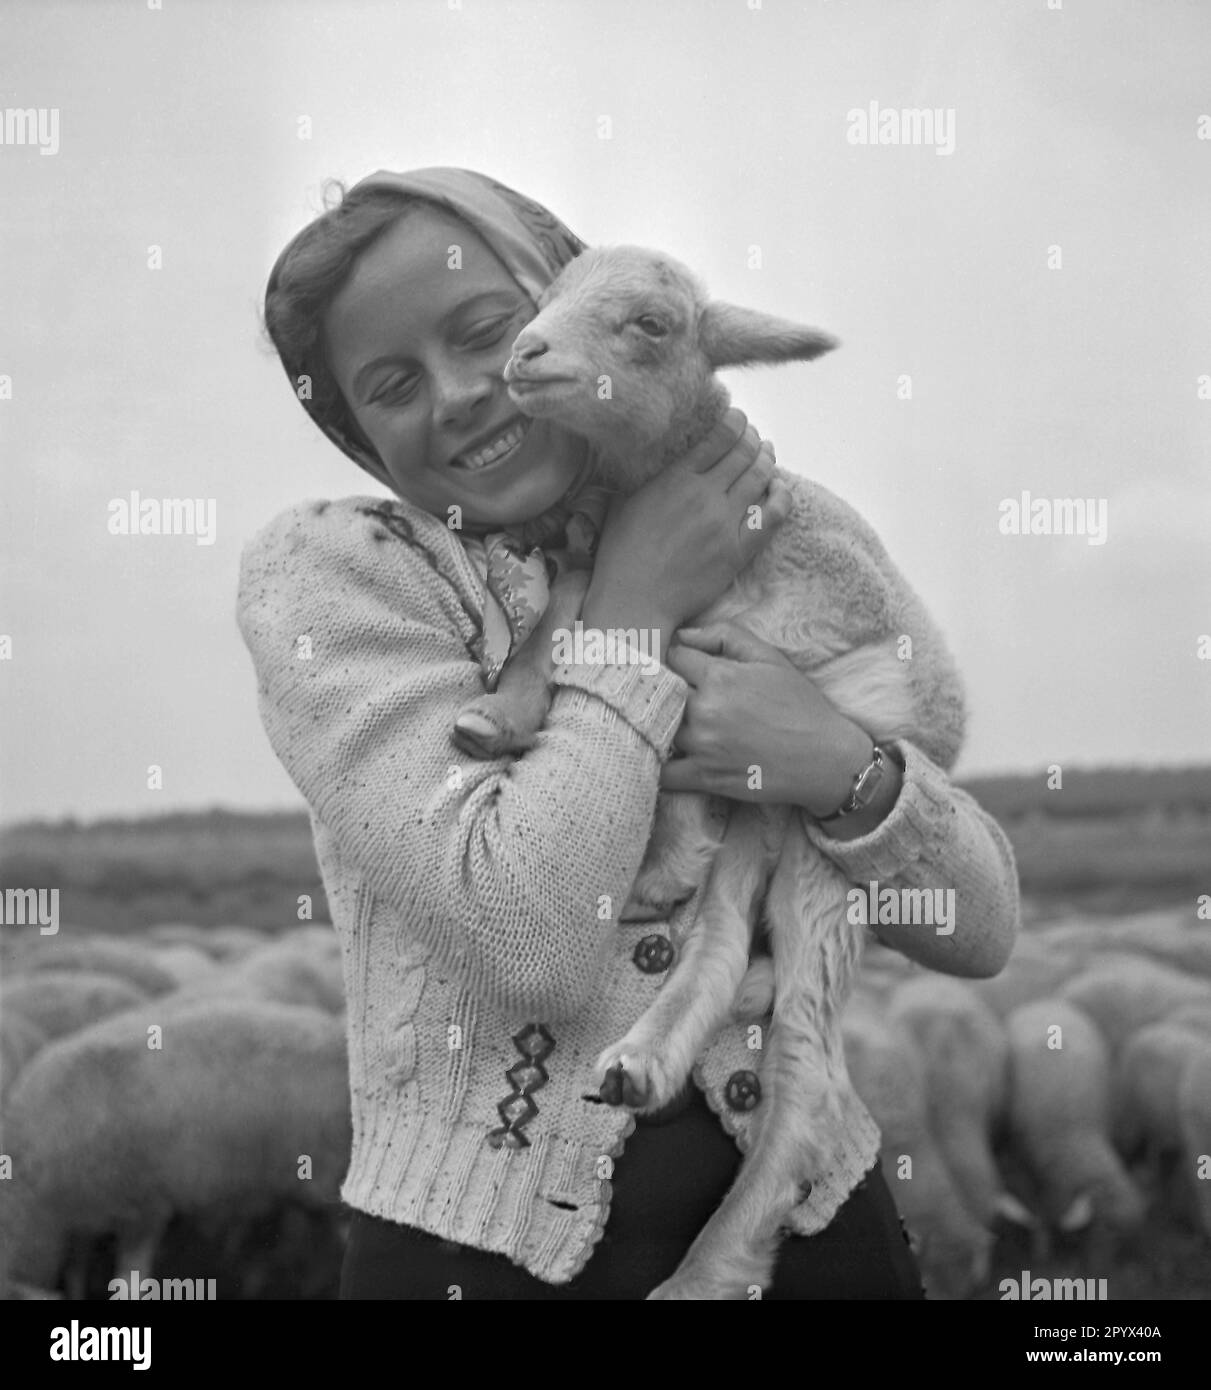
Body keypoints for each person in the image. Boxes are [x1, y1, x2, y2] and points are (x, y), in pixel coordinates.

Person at [239, 166, 1020, 1300]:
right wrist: (633, 608)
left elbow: (980, 924)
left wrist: (836, 768)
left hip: (814, 1237)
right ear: (352, 431)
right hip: (483, 1258)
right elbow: (530, 934)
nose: (463, 391)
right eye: (392, 384)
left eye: (486, 329)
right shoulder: (342, 580)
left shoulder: (775, 521)